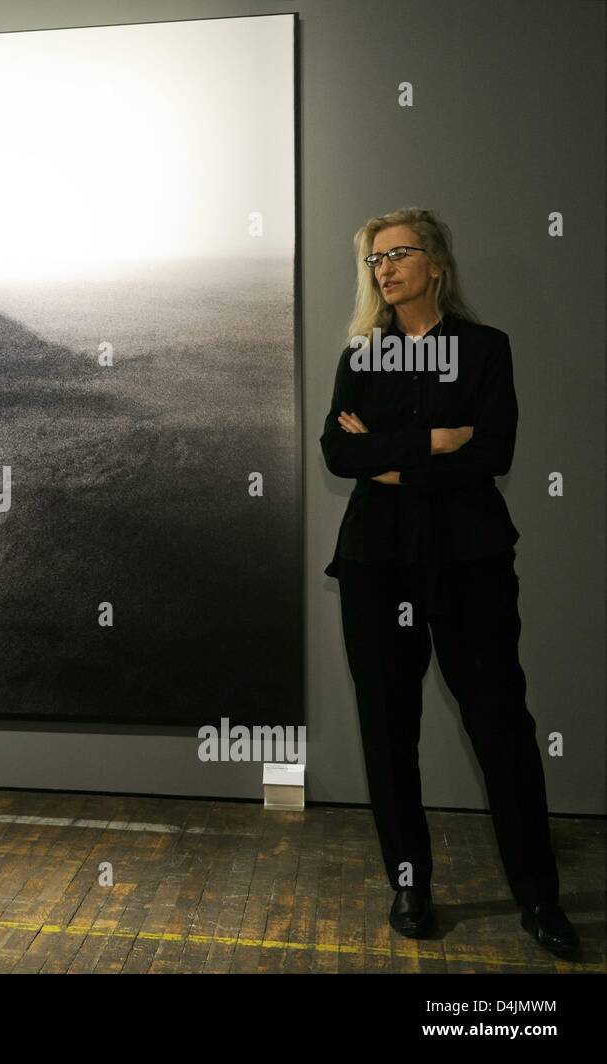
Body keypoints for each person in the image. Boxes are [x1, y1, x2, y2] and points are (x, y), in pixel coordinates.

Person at [319, 207, 579, 959]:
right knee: (389, 729)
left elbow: (492, 450)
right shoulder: (363, 354)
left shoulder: (486, 348)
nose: (386, 269)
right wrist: (436, 440)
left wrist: (394, 457)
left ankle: (539, 899)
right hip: (377, 563)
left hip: (469, 560)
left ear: (436, 262)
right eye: (376, 260)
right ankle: (411, 887)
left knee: (501, 725)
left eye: (400, 254)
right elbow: (339, 452)